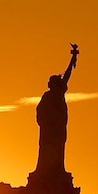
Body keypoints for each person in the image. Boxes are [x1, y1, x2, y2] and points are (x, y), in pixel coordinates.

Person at [34, 44, 78, 176]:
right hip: (48, 129)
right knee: (46, 149)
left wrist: (73, 57)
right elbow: (40, 110)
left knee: (58, 149)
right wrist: (45, 121)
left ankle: (57, 170)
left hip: (57, 128)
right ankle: (44, 170)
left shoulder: (58, 93)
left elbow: (67, 74)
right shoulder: (47, 96)